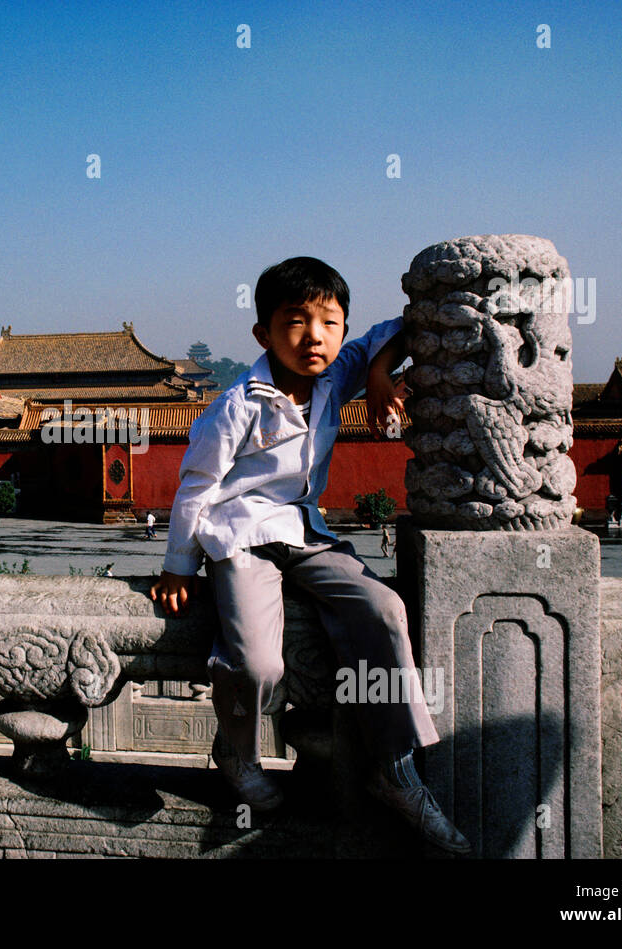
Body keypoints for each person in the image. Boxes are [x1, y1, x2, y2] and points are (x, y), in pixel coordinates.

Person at [148, 256, 469, 854]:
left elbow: (402, 324)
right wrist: (177, 565)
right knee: (259, 666)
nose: (314, 336)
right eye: (296, 322)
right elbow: (196, 485)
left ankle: (394, 769)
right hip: (241, 535)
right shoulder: (238, 404)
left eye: (329, 322)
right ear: (263, 333)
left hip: (305, 530)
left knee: (383, 610)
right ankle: (238, 754)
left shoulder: (335, 375)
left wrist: (376, 371)